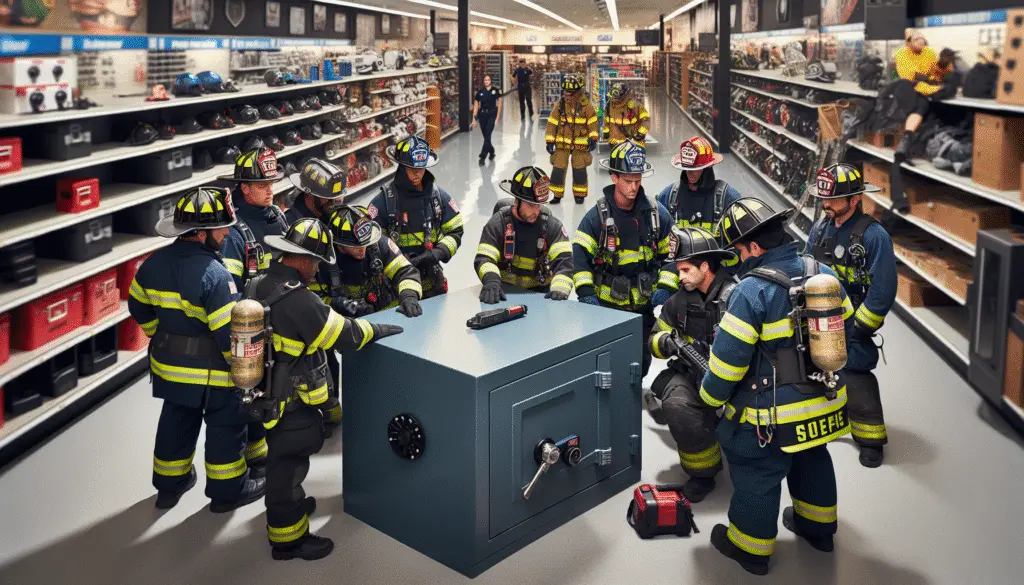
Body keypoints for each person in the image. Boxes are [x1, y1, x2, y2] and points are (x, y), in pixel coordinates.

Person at [701, 197, 855, 576]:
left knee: (758, 472)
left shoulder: (751, 292)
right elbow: (846, 326)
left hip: (773, 414)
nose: (737, 258)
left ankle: (749, 549)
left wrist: (710, 398)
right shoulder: (822, 272)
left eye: (738, 250)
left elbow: (727, 365)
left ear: (754, 247)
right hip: (826, 399)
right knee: (813, 457)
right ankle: (819, 530)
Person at [251, 217, 404, 560]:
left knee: (279, 456)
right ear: (304, 259)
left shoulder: (259, 284)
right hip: (290, 400)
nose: (317, 269)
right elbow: (343, 336)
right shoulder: (299, 300)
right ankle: (289, 540)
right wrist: (377, 329)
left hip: (265, 394)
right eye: (317, 262)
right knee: (288, 463)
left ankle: (288, 507)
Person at [128, 186, 266, 511]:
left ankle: (169, 487)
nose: (226, 232)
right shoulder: (215, 275)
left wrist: (160, 335)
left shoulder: (151, 264)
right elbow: (228, 336)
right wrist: (247, 374)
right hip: (212, 374)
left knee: (176, 422)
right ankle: (228, 492)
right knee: (226, 426)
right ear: (202, 234)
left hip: (169, 369)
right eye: (221, 227)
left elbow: (137, 305)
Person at [807, 163, 897, 468]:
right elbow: (807, 266)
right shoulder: (820, 229)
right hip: (819, 316)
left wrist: (859, 329)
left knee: (856, 372)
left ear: (855, 199)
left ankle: (870, 437)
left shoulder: (874, 237)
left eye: (832, 200)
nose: (825, 205)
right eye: (823, 199)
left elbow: (883, 290)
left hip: (853, 322)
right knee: (811, 368)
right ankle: (825, 420)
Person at [647, 226, 738, 502]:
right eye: (678, 270)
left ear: (705, 266)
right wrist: (667, 343)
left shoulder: (736, 297)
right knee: (675, 404)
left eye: (686, 270)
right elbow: (654, 337)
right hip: (691, 374)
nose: (680, 276)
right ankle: (703, 472)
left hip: (736, 379)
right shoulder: (678, 301)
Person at [572, 140, 677, 377]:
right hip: (606, 309)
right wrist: (587, 296)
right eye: (628, 181)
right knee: (605, 367)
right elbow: (579, 260)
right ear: (614, 178)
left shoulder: (657, 215)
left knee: (640, 366)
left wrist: (665, 289)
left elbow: (672, 256)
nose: (633, 187)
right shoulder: (595, 218)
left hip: (644, 310)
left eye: (638, 181)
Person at [217, 146, 290, 477]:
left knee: (275, 390)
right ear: (244, 187)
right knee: (248, 396)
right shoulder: (234, 233)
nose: (270, 190)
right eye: (262, 185)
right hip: (251, 329)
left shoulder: (277, 216)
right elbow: (229, 291)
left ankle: (266, 450)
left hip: (281, 321)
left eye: (272, 183)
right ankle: (252, 458)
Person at [282, 157, 350, 427]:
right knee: (311, 368)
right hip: (304, 310)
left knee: (330, 364)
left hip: (328, 304)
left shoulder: (327, 216)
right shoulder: (292, 225)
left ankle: (332, 413)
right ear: (310, 196)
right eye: (330, 201)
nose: (336, 206)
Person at [368, 135, 464, 299]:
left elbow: (456, 231)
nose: (418, 174)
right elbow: (371, 245)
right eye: (412, 170)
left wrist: (437, 253)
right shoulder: (382, 203)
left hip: (432, 284)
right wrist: (397, 261)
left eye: (421, 169)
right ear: (401, 166)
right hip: (396, 287)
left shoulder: (439, 198)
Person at [475, 166, 574, 303]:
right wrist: (491, 281)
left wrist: (559, 289)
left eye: (538, 205)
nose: (536, 211)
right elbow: (484, 258)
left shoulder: (552, 227)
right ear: (517, 201)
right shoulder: (498, 223)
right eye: (531, 205)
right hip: (504, 294)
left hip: (540, 296)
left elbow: (565, 262)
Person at [656, 137, 742, 275]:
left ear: (708, 168)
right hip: (680, 272)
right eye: (687, 169)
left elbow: (743, 244)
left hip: (714, 275)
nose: (690, 174)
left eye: (696, 169)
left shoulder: (727, 198)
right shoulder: (670, 195)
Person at [325, 204, 424, 318]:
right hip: (352, 327)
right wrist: (336, 304)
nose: (363, 249)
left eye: (366, 242)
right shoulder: (325, 261)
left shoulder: (380, 245)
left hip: (391, 316)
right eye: (356, 246)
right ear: (340, 245)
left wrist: (409, 295)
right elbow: (314, 301)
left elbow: (405, 271)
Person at [892, 30, 953, 162]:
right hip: (907, 89)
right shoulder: (902, 54)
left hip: (924, 90)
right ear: (908, 43)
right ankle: (907, 140)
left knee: (927, 107)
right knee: (920, 104)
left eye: (922, 38)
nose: (920, 41)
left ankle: (907, 142)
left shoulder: (929, 53)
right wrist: (931, 87)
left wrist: (944, 64)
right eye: (915, 39)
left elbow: (938, 73)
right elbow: (910, 77)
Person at [546, 74, 598, 204]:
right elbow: (552, 121)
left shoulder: (587, 106)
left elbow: (593, 121)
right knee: (558, 169)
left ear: (578, 92)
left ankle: (579, 195)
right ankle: (555, 194)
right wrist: (550, 140)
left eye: (570, 93)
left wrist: (593, 137)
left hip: (580, 144)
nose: (567, 95)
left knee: (579, 169)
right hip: (562, 143)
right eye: (565, 92)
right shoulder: (561, 104)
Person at [601, 82, 650, 147]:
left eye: (616, 98)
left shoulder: (634, 105)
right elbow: (606, 119)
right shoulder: (609, 105)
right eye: (613, 97)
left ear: (623, 96)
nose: (613, 99)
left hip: (633, 141)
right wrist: (605, 131)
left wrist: (641, 133)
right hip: (615, 142)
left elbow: (645, 119)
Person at [471, 74, 502, 165]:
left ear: (491, 81)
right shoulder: (480, 92)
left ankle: (482, 156)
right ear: (484, 81)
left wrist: (498, 117)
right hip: (482, 115)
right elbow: (476, 105)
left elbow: (499, 104)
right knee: (486, 136)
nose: (487, 81)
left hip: (492, 114)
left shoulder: (496, 91)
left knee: (488, 134)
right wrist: (474, 119)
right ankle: (492, 151)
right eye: (485, 80)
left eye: (488, 80)